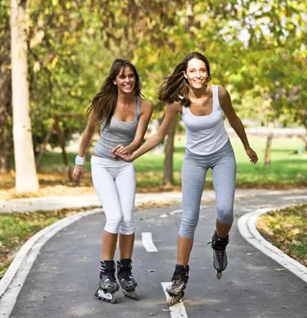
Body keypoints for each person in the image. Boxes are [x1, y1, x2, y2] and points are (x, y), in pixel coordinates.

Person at [112, 52, 258, 305]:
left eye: (202, 70)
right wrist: (133, 155)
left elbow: (234, 120)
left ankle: (219, 242)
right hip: (194, 160)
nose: (198, 75)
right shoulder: (178, 103)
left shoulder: (219, 94)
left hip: (223, 155)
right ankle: (180, 275)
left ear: (207, 72)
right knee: (189, 218)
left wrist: (246, 147)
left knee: (225, 212)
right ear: (185, 74)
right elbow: (158, 136)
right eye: (193, 71)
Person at [72, 58, 153, 303]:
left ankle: (125, 272)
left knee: (128, 219)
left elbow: (139, 139)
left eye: (131, 76)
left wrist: (127, 149)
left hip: (125, 165)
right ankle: (106, 274)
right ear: (115, 80)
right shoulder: (104, 102)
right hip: (101, 164)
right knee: (115, 217)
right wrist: (79, 161)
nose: (127, 80)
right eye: (122, 76)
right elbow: (88, 131)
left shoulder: (145, 105)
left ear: (135, 79)